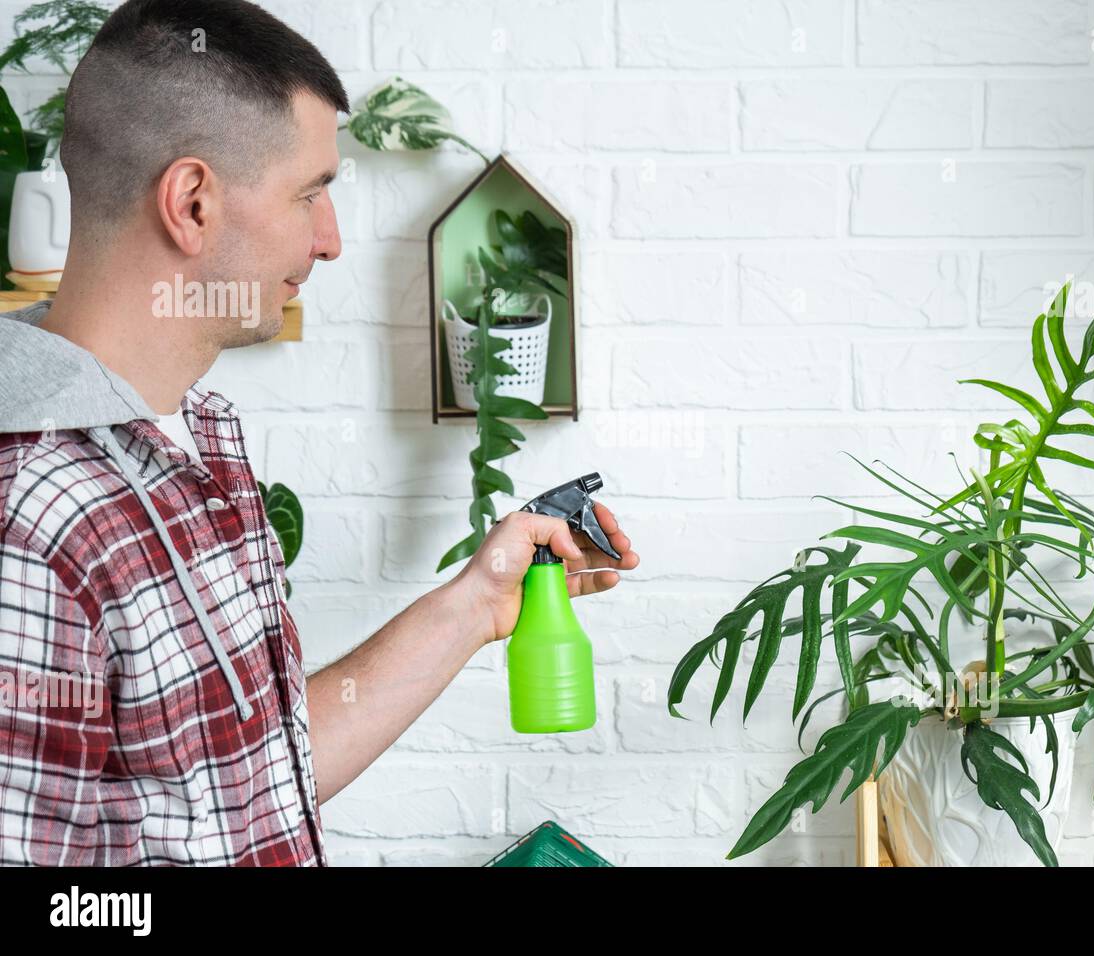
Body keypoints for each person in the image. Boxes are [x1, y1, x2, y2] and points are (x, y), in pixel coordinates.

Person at [0, 0, 637, 866]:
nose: (331, 242)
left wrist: (476, 604)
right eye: (311, 194)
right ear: (192, 203)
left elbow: (248, 781)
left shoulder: (199, 433)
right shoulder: (29, 519)